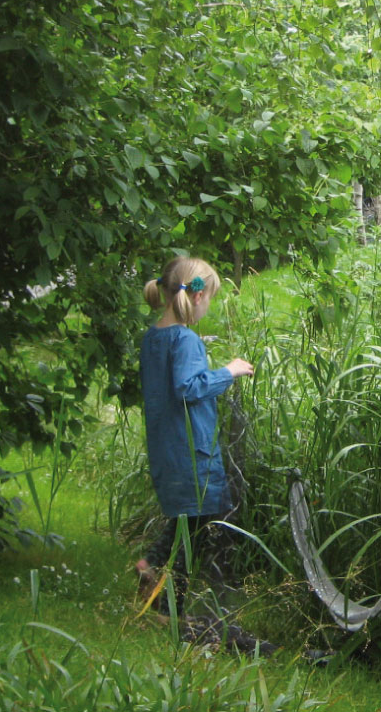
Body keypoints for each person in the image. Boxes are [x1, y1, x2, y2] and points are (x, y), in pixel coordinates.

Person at [135, 256, 254, 601]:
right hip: (192, 451)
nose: (208, 306)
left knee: (188, 522)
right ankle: (171, 606)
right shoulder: (185, 340)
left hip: (166, 448)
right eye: (211, 298)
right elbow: (188, 388)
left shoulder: (153, 338)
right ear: (198, 296)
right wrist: (228, 371)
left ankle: (151, 565)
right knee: (196, 528)